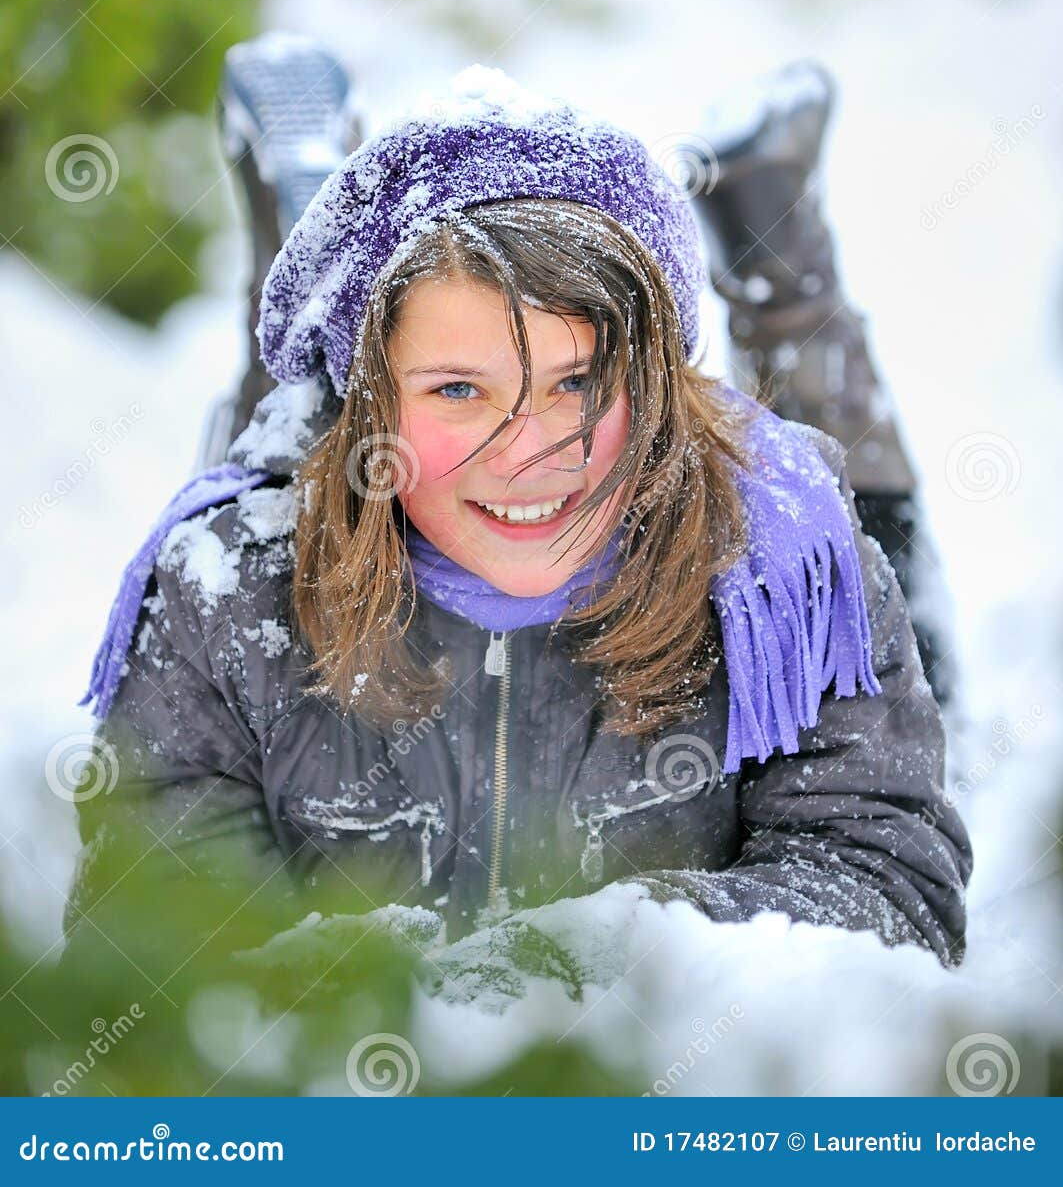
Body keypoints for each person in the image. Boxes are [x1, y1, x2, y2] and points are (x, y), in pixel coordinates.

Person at [65, 64, 971, 993]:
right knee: (297, 469)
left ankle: (775, 245)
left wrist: (585, 963)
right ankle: (298, 227)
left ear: (653, 379)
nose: (530, 451)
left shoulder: (782, 562)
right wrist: (394, 1001)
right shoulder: (218, 594)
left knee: (870, 549)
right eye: (459, 390)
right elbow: (148, 957)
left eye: (576, 381)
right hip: (341, 468)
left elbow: (886, 880)